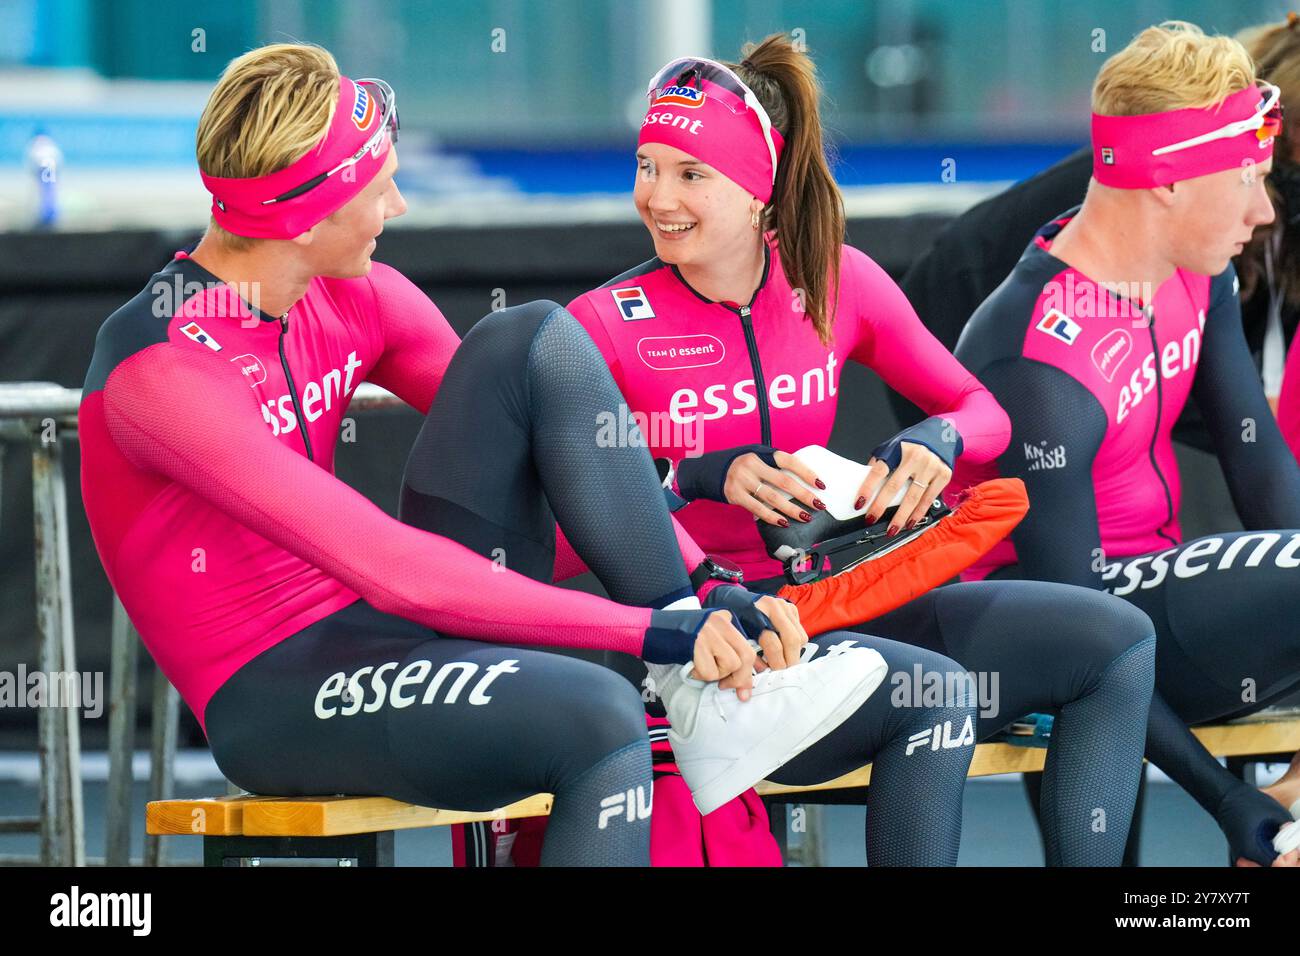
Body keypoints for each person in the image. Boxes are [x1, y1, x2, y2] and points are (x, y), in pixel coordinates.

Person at [79, 43, 981, 867]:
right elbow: (394, 569)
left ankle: (688, 648)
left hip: (381, 636)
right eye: (379, 190)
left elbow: (559, 433)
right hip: (272, 691)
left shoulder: (356, 297)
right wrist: (653, 630)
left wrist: (709, 589)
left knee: (529, 339)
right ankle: (676, 659)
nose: (397, 206)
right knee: (598, 709)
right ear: (309, 215)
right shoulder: (162, 374)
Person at [567, 35, 1160, 866]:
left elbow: (981, 410)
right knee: (939, 694)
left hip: (851, 599)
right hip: (721, 642)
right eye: (646, 167)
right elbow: (560, 536)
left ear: (756, 191)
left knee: (1117, 641)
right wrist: (694, 477)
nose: (655, 197)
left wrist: (936, 440)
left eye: (690, 174)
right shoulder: (600, 326)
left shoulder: (837, 281)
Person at [952, 21, 1300, 866]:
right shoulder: (1034, 359)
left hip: (1151, 597)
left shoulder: (1197, 263)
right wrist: (1225, 798)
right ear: (1170, 180)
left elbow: (1256, 459)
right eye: (1248, 179)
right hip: (1037, 635)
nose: (1265, 209)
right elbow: (1082, 638)